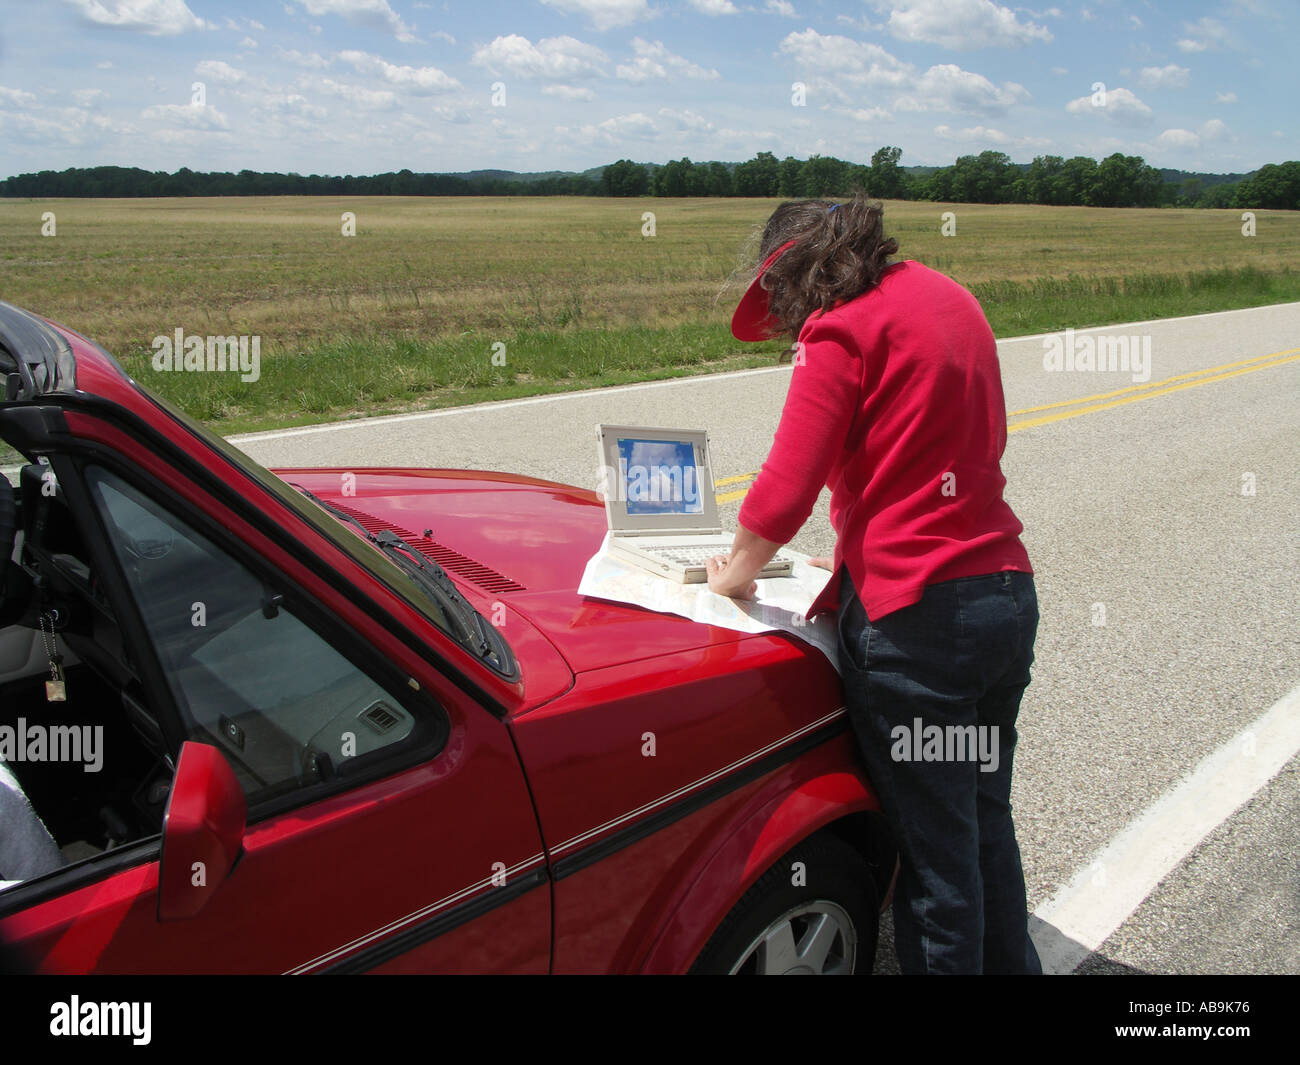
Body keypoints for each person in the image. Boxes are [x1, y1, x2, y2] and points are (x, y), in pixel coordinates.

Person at [705, 193, 1041, 975]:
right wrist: (862, 539)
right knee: (985, 822)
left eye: (781, 301)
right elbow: (951, 449)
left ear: (795, 273)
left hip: (917, 627)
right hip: (1003, 597)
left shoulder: (841, 327)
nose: (786, 321)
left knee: (933, 865)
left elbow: (785, 490)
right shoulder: (948, 296)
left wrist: (736, 576)